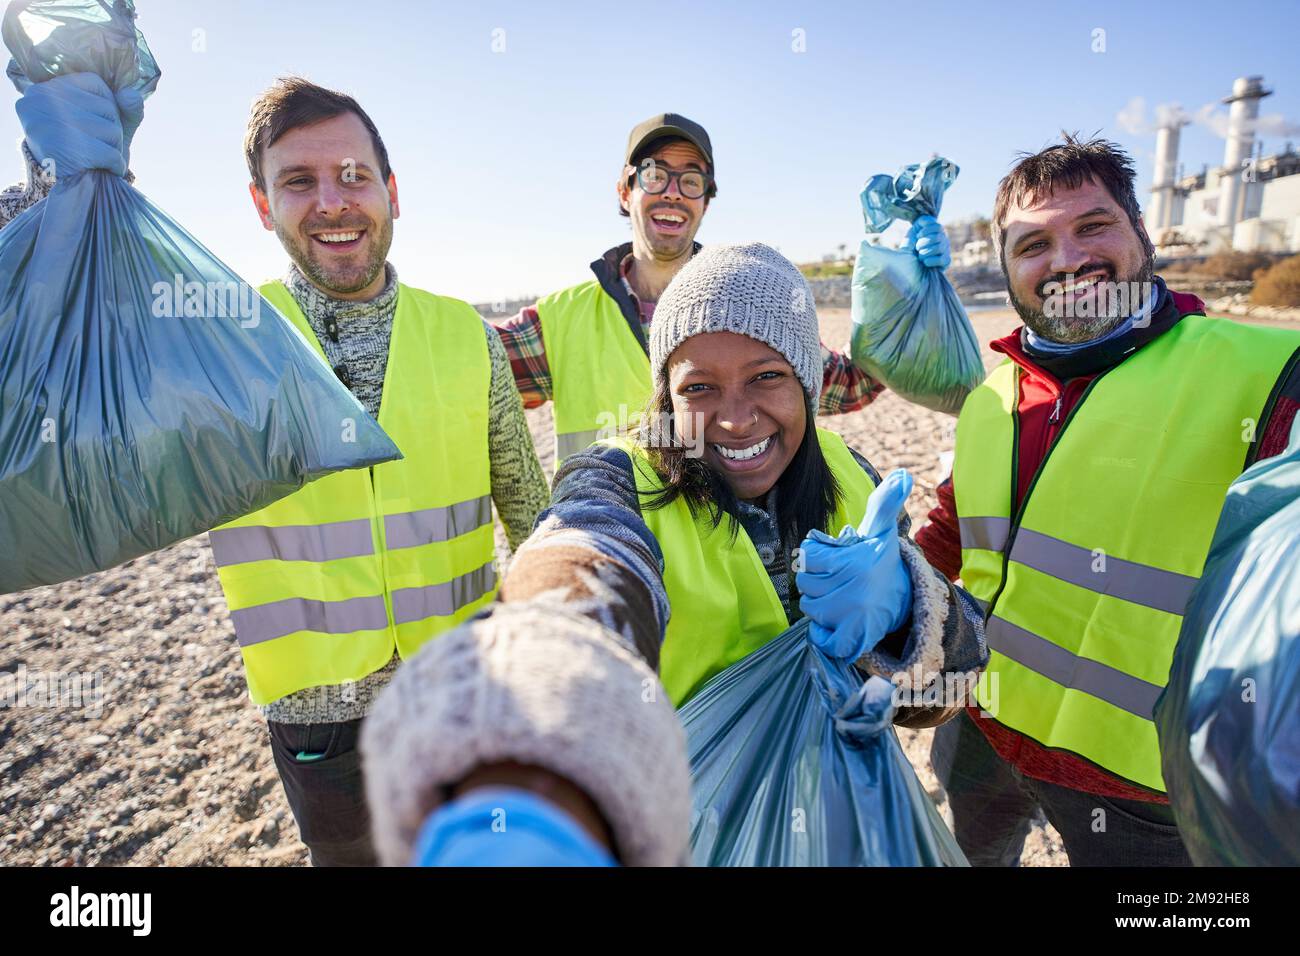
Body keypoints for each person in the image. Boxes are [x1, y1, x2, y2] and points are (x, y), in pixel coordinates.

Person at [10, 73, 550, 866]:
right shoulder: (218, 340)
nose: (332, 201)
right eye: (299, 181)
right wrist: (60, 203)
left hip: (464, 699)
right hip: (317, 726)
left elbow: (532, 516)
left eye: (354, 176)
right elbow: (69, 368)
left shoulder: (466, 336)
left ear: (393, 192)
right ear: (263, 205)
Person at [361, 241, 986, 866]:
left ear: (807, 383)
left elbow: (938, 697)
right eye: (700, 387)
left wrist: (909, 610)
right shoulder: (619, 479)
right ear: (665, 397)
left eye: (767, 376)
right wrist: (535, 719)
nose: (736, 419)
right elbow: (584, 551)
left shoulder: (853, 477)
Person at [915, 134, 1300, 867]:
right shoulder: (996, 394)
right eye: (1033, 244)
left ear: (1141, 234)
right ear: (1007, 268)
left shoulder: (1266, 374)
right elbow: (956, 528)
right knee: (973, 854)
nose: (1065, 260)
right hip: (981, 722)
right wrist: (889, 575)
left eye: (1092, 227)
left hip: (1142, 782)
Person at [494, 112, 952, 466]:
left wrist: (912, 287)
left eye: (691, 181)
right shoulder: (558, 322)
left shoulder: (749, 302)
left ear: (706, 201)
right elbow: (470, 368)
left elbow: (851, 382)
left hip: (722, 570)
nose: (673, 192)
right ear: (624, 191)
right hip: (609, 557)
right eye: (654, 174)